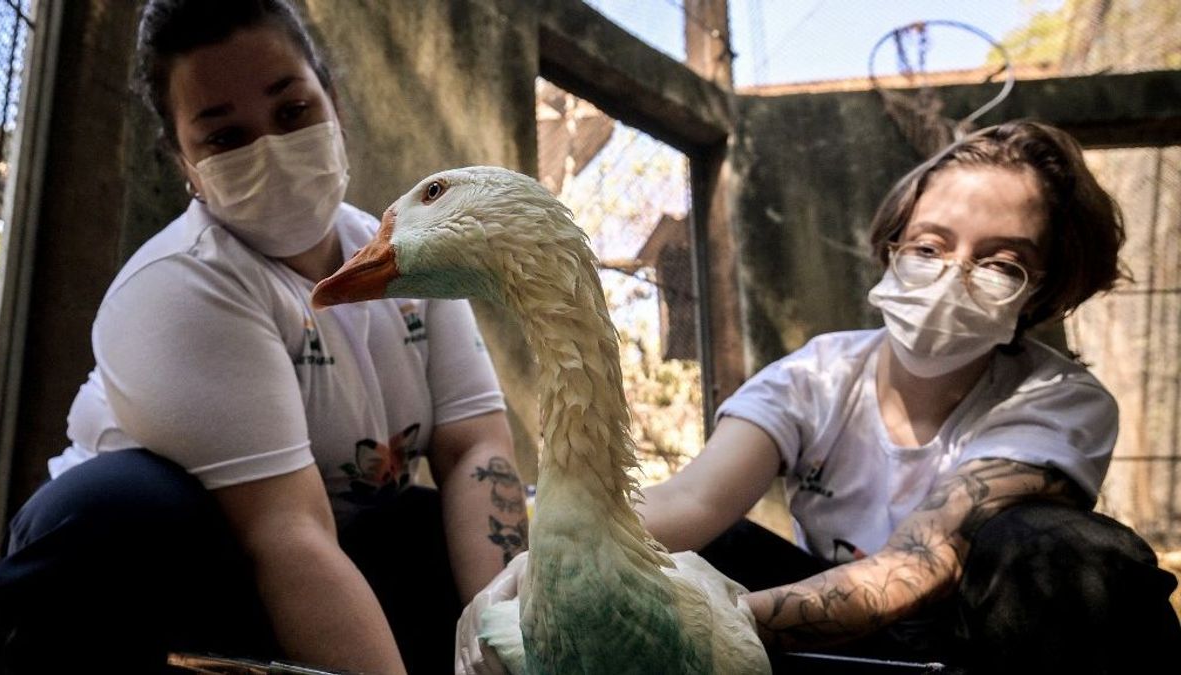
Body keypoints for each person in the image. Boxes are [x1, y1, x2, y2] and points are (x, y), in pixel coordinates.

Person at [457, 120, 1181, 674]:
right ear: (893, 244)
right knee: (702, 549)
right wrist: (553, 564)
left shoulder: (1059, 398)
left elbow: (916, 566)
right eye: (930, 246)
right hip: (833, 640)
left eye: (1000, 262)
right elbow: (694, 500)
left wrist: (692, 630)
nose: (952, 275)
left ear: (1043, 291)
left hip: (980, 640)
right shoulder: (820, 372)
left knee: (1062, 550)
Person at [0, 1, 528, 673]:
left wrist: (505, 643)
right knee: (116, 509)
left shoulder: (406, 254)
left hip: (326, 552)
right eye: (223, 136)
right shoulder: (183, 284)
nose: (269, 148)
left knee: (428, 529)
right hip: (172, 574)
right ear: (184, 164)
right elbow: (286, 531)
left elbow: (475, 447)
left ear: (334, 103)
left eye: (292, 111)